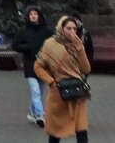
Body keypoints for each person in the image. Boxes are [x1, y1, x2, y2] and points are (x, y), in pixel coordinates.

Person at [33, 15, 91, 143]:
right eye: (68, 28)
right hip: (59, 94)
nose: (72, 32)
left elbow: (86, 69)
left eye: (74, 28)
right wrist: (51, 82)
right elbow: (38, 67)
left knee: (82, 131)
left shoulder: (78, 44)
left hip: (77, 93)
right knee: (55, 133)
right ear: (61, 28)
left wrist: (80, 49)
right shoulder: (50, 44)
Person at [13, 5, 52, 127]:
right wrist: (27, 48)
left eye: (35, 14)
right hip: (29, 64)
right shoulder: (23, 31)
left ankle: (32, 110)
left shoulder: (47, 31)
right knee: (35, 90)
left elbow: (53, 44)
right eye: (31, 14)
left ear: (39, 16)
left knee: (39, 91)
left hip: (44, 65)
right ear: (28, 17)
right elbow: (15, 46)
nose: (33, 16)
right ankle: (40, 115)